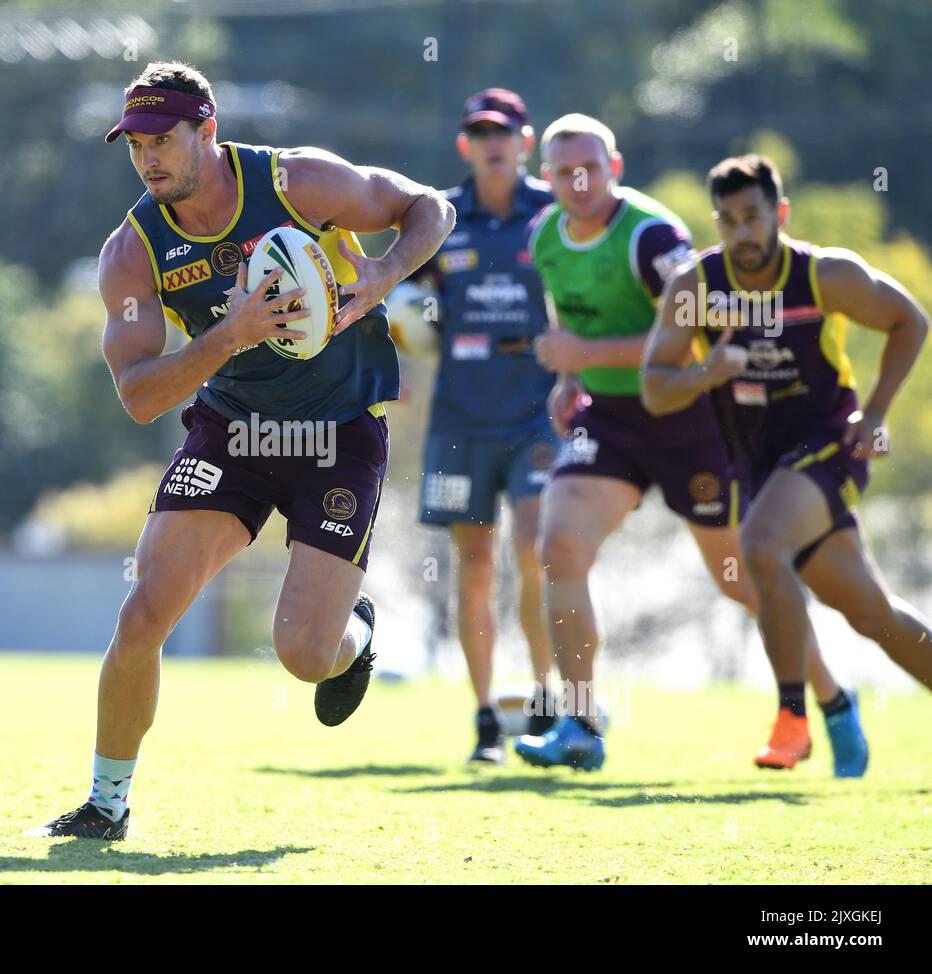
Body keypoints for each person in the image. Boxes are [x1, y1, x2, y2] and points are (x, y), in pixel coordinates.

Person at [29, 61, 454, 839]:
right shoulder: (133, 251)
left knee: (302, 652)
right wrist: (231, 335)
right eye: (135, 145)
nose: (148, 157)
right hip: (233, 431)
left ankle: (350, 637)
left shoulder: (296, 183)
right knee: (144, 613)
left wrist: (387, 272)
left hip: (340, 430)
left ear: (207, 130)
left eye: (163, 139)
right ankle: (106, 804)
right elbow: (139, 395)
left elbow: (430, 207)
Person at [513, 115, 849, 771]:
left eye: (590, 166)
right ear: (545, 177)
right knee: (558, 545)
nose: (577, 182)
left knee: (742, 582)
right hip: (608, 420)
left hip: (689, 419)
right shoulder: (544, 237)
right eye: (562, 171)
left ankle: (831, 700)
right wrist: (572, 376)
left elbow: (695, 334)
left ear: (616, 166)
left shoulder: (653, 237)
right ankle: (580, 722)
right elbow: (568, 316)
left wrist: (583, 350)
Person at [641, 153, 930, 775]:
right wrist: (704, 372)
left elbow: (911, 320)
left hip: (829, 448)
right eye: (728, 220)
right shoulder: (697, 289)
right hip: (765, 471)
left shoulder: (824, 275)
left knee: (762, 544)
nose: (742, 233)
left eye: (753, 216)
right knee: (872, 614)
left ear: (781, 213)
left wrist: (875, 413)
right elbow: (655, 389)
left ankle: (793, 718)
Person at [391, 89, 557, 763]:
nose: (493, 142)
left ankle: (550, 702)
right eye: (481, 132)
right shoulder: (442, 217)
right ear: (466, 144)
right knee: (476, 563)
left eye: (505, 131)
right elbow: (398, 295)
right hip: (460, 415)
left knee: (539, 552)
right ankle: (487, 719)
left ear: (527, 138)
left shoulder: (555, 214)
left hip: (539, 410)